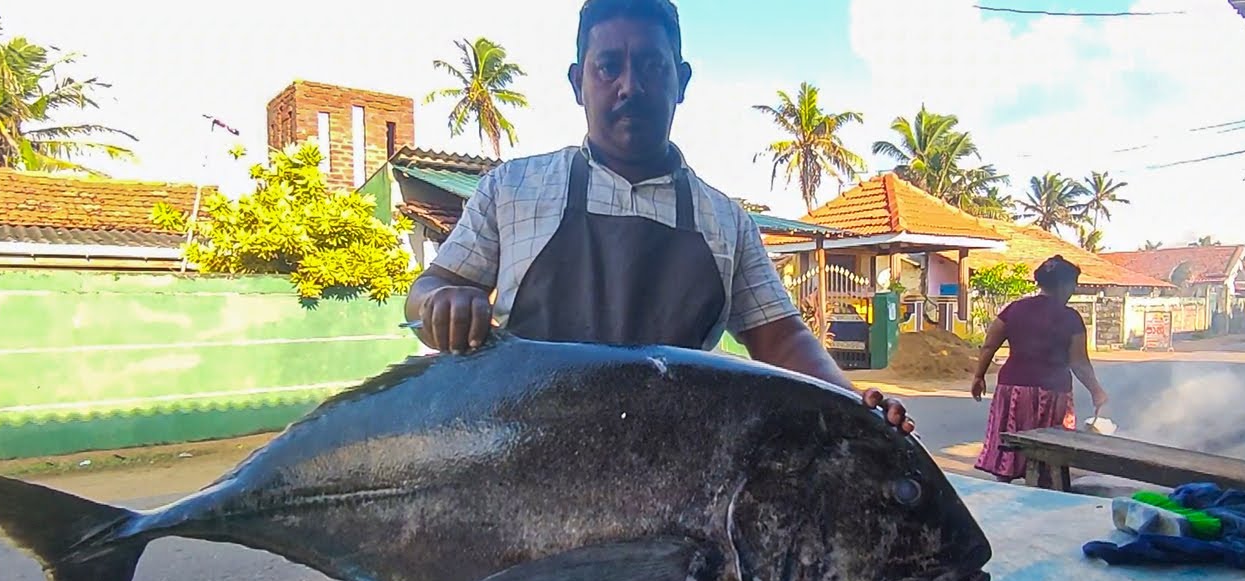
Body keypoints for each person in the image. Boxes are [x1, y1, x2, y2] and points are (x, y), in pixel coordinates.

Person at [403, 0, 914, 433]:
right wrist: (442, 303)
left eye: (652, 65)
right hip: (523, 464)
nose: (631, 86)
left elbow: (781, 338)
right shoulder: (512, 190)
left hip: (673, 486)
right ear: (578, 82)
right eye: (608, 66)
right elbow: (426, 293)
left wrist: (852, 405)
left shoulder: (727, 222)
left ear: (681, 81)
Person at [971, 255, 1109, 485]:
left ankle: (1001, 490)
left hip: (1013, 389)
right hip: (1052, 393)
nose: (1073, 290)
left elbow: (989, 345)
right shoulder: (1070, 317)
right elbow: (1079, 362)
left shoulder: (1013, 309)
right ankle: (1044, 493)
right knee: (1050, 452)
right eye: (1073, 285)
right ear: (1064, 285)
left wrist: (978, 376)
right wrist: (1096, 391)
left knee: (1010, 441)